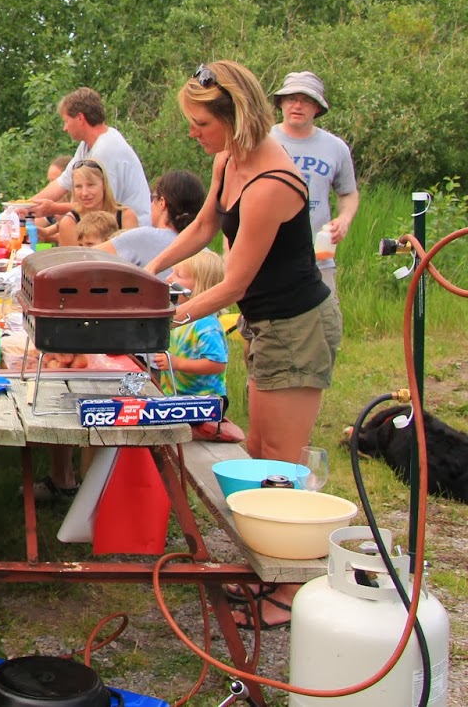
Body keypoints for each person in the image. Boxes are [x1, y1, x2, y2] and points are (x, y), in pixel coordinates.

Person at [146, 60, 341, 633]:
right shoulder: (227, 158)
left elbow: (234, 283)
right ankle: (262, 570)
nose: (192, 132)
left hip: (297, 325)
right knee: (256, 449)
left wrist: (164, 315)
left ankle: (286, 590)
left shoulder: (273, 184)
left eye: (200, 121)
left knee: (281, 464)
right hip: (266, 324)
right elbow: (205, 227)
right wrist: (149, 271)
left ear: (233, 116)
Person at [270, 71, 360, 299]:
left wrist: (344, 220)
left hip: (318, 257)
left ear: (317, 108)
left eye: (306, 100)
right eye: (292, 99)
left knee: (326, 325)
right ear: (281, 103)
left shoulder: (336, 147)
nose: (297, 106)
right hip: (268, 256)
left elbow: (348, 192)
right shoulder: (263, 140)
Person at [25, 88, 152, 227]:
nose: (65, 128)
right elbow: (62, 182)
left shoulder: (107, 148)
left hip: (132, 230)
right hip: (109, 227)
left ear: (80, 118)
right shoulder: (86, 146)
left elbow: (101, 205)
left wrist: (54, 209)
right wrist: (21, 207)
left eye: (66, 121)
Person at [93, 169, 206, 276]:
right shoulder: (206, 253)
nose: (151, 204)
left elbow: (86, 257)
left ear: (162, 203)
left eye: (153, 198)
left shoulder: (143, 237)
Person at [150, 249, 228, 400]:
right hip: (174, 395)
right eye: (172, 272)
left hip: (205, 400)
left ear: (200, 285)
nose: (169, 279)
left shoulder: (206, 325)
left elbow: (217, 364)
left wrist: (177, 363)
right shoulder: (176, 313)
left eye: (178, 275)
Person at [54, 159, 138, 245]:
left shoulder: (126, 216)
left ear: (104, 185)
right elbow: (71, 258)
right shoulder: (69, 223)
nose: (84, 193)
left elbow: (132, 254)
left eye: (91, 185)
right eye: (78, 187)